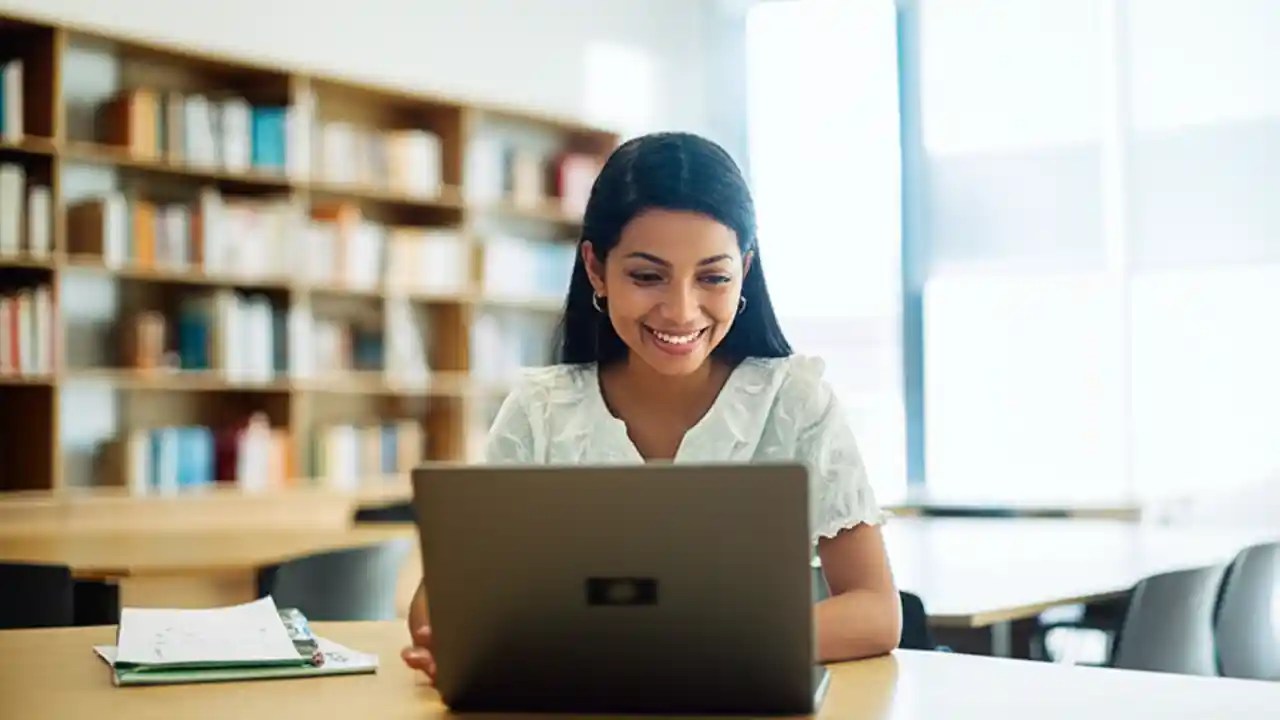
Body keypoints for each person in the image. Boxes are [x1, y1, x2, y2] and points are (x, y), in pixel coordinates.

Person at [403, 131, 900, 680]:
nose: (682, 311)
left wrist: (679, 648)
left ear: (745, 272)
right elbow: (438, 604)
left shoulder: (795, 401)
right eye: (647, 276)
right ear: (597, 269)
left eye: (713, 277)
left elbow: (876, 612)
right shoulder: (543, 410)